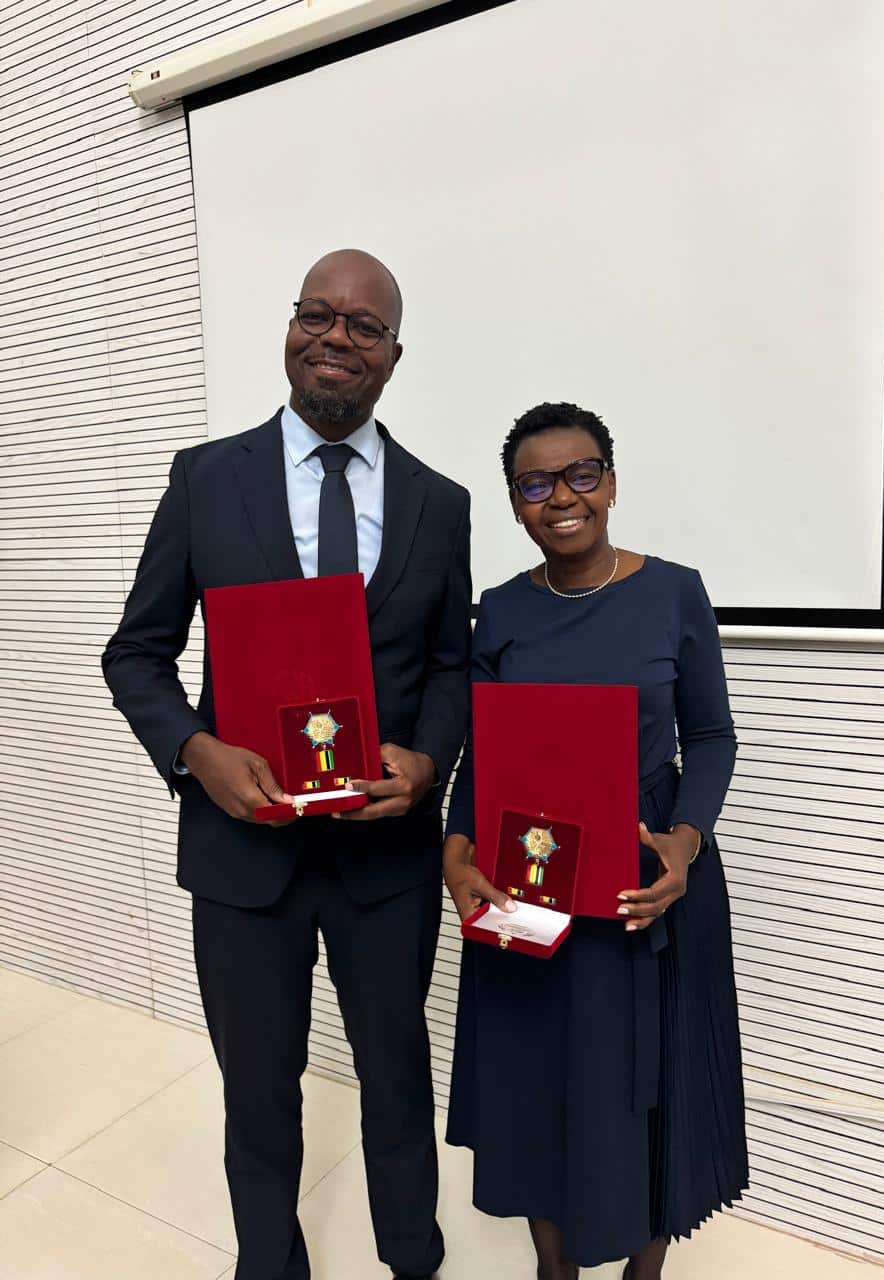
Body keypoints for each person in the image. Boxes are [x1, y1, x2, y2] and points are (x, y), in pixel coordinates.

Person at [102, 249, 471, 1280]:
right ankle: (269, 1263)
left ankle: (413, 1260)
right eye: (317, 316)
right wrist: (195, 751)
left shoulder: (440, 503)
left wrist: (427, 761)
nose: (335, 339)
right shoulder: (206, 480)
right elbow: (135, 652)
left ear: (393, 354)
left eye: (363, 326)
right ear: (290, 328)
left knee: (396, 1077)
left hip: (385, 861)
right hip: (241, 853)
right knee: (258, 1089)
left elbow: (452, 663)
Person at [442, 402, 748, 1280]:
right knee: (538, 1076)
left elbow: (711, 736)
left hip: (648, 870)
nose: (562, 498)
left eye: (581, 474)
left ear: (610, 483)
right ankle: (555, 1267)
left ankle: (645, 1271)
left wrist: (686, 843)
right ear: (515, 503)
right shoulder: (501, 612)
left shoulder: (674, 591)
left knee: (648, 1084)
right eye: (535, 484)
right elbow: (482, 755)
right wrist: (456, 848)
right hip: (530, 870)